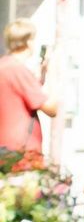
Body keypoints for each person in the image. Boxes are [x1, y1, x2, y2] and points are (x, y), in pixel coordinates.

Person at [0, 19, 58, 156]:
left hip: (5, 148)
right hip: (21, 151)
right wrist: (53, 75)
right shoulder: (17, 70)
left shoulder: (5, 65)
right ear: (29, 42)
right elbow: (51, 108)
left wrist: (40, 75)